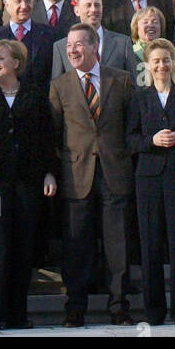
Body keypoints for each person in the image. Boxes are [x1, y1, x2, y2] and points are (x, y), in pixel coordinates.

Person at [0, 39, 57, 329]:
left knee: (22, 246)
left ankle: (17, 313)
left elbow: (46, 137)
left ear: (16, 63)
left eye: (0, 58)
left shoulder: (35, 95)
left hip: (27, 184)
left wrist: (49, 172)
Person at [49, 24, 135, 328]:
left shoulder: (121, 81)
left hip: (114, 173)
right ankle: (75, 309)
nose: (72, 50)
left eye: (78, 45)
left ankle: (119, 307)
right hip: (76, 176)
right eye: (69, 45)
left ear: (94, 47)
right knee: (77, 247)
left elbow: (130, 127)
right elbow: (55, 134)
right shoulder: (59, 86)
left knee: (117, 246)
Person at [128, 38, 175, 325]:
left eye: (166, 60)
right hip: (148, 178)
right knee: (150, 246)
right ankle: (154, 312)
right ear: (148, 65)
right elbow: (130, 139)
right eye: (156, 61)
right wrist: (152, 140)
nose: (161, 65)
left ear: (173, 63)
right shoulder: (139, 98)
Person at [51, 0, 140, 82]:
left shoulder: (122, 44)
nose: (93, 10)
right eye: (88, 5)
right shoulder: (61, 47)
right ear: (77, 10)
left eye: (97, 5)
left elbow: (133, 85)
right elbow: (57, 88)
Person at [0, 0, 55, 87]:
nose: (24, 6)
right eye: (18, 1)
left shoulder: (49, 35)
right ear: (7, 5)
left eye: (28, 1)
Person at [131, 6, 175, 87]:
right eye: (145, 22)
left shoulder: (172, 52)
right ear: (136, 28)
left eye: (155, 22)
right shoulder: (130, 53)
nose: (151, 25)